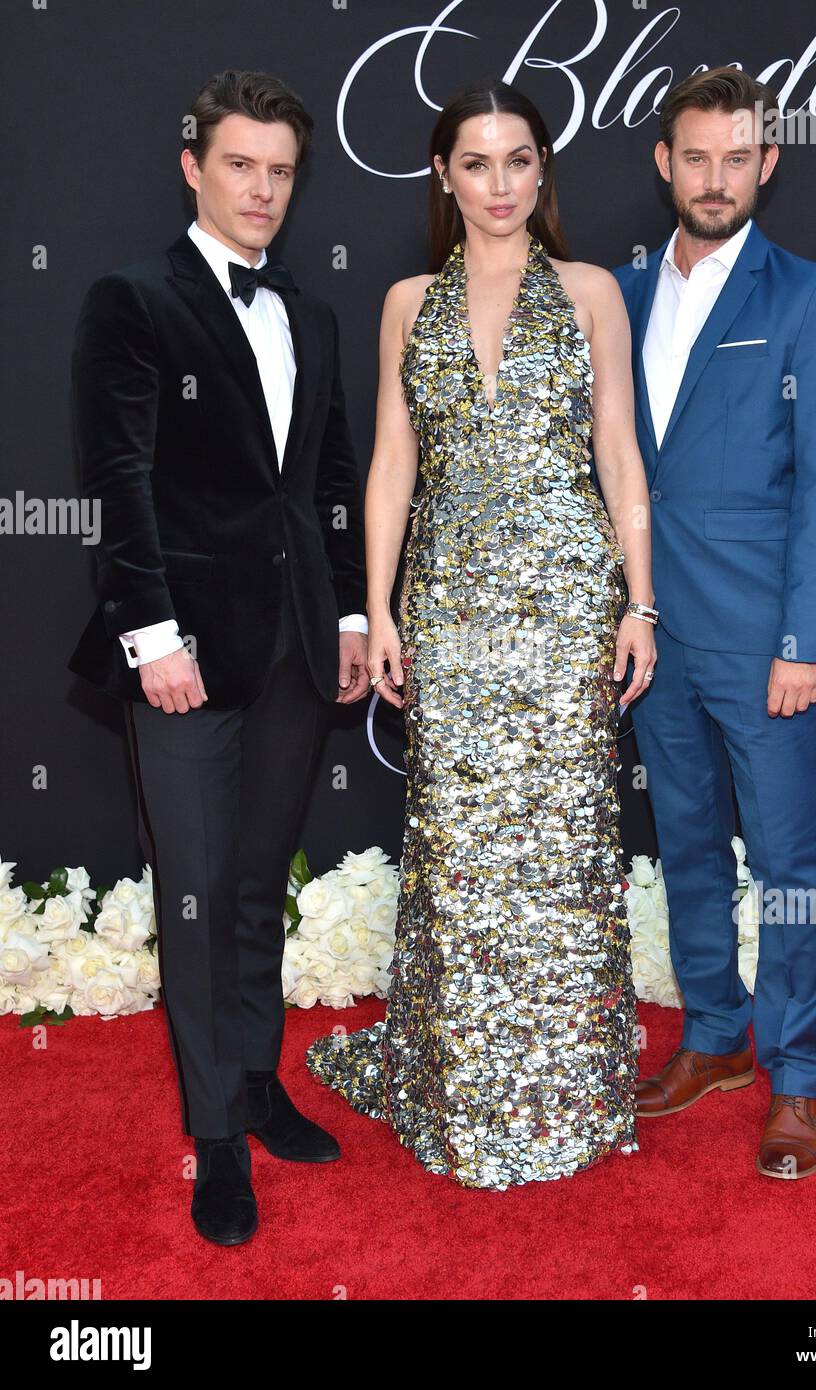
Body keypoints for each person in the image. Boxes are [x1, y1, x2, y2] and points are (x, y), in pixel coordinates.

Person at [306, 80, 656, 1191]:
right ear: (443, 177)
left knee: (560, 852)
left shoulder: (593, 289)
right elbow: (392, 462)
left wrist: (639, 602)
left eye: (518, 161)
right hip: (452, 603)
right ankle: (460, 1084)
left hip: (565, 607)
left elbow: (618, 454)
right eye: (476, 163)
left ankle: (569, 1089)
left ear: (542, 171)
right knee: (461, 857)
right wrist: (385, 604)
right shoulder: (408, 300)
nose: (499, 185)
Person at [68, 69, 370, 1243]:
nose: (262, 189)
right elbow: (119, 478)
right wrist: (152, 638)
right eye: (240, 165)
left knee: (255, 884)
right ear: (194, 168)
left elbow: (329, 482)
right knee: (193, 899)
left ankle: (253, 1076)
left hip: (296, 649)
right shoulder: (131, 298)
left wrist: (348, 617)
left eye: (281, 171)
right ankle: (216, 1140)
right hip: (182, 655)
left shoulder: (313, 312)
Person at [614, 67, 816, 1178]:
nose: (716, 178)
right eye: (695, 156)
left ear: (768, 163)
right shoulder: (614, 295)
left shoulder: (811, 293)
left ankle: (798, 1077)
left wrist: (807, 644)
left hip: (765, 640)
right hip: (650, 634)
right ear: (665, 163)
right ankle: (714, 1035)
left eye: (738, 157)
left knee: (790, 861)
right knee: (686, 848)